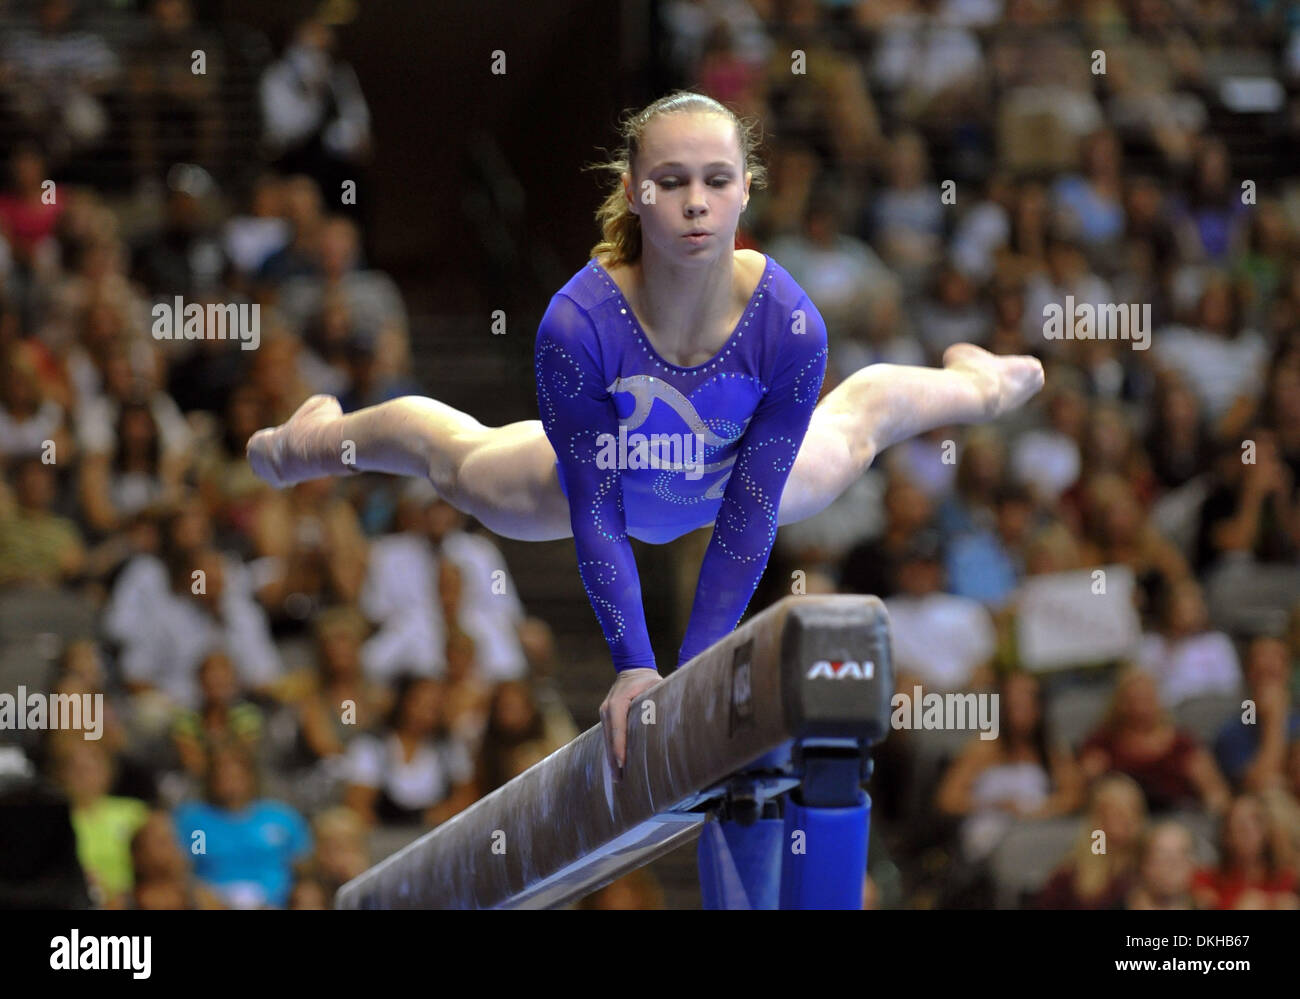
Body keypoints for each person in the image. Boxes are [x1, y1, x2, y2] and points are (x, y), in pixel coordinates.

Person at [247, 91, 1044, 777]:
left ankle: (982, 382)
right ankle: (314, 439)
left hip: (731, 479)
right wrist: (635, 664)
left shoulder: (788, 323)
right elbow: (595, 509)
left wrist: (694, 670)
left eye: (717, 179)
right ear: (634, 192)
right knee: (453, 462)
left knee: (858, 423)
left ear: (745, 190)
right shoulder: (579, 324)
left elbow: (750, 514)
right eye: (672, 180)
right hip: (603, 486)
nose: (696, 201)